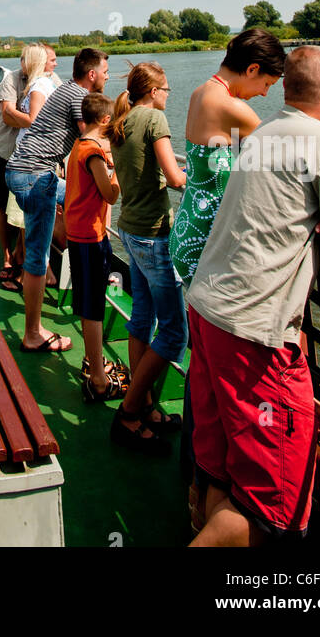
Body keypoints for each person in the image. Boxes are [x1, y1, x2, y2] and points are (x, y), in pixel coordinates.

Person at [187, 46, 320, 546]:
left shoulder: (263, 134)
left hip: (207, 308)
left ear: (285, 88)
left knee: (217, 464)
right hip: (252, 333)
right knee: (272, 501)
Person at [6, 47, 109, 354]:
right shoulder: (78, 97)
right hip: (35, 176)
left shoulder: (67, 89)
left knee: (77, 196)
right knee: (38, 257)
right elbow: (89, 137)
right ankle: (33, 334)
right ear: (92, 74)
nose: (106, 76)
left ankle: (80, 253)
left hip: (26, 171)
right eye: (104, 71)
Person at [108, 63, 188, 453]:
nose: (169, 95)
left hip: (129, 229)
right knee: (174, 332)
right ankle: (130, 408)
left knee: (142, 318)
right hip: (154, 236)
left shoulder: (122, 120)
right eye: (167, 89)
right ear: (154, 90)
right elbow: (174, 179)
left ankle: (148, 406)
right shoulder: (155, 118)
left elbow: (144, 169)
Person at [170, 28, 286, 286]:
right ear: (252, 69)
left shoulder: (200, 92)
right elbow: (284, 161)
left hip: (187, 230)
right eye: (267, 84)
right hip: (208, 242)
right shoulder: (232, 107)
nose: (265, 93)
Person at [64, 92, 121, 401]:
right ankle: (98, 379)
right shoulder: (93, 154)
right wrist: (122, 171)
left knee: (87, 300)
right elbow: (109, 195)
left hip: (78, 231)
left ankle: (93, 360)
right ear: (105, 121)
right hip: (91, 235)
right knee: (94, 305)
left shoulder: (80, 145)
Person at [0, 49, 30, 288]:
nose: (52, 65)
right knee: (2, 203)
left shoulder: (46, 81)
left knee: (24, 207)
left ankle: (20, 253)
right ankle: (6, 255)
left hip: (30, 157)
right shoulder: (11, 80)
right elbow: (7, 114)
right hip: (5, 151)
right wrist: (36, 119)